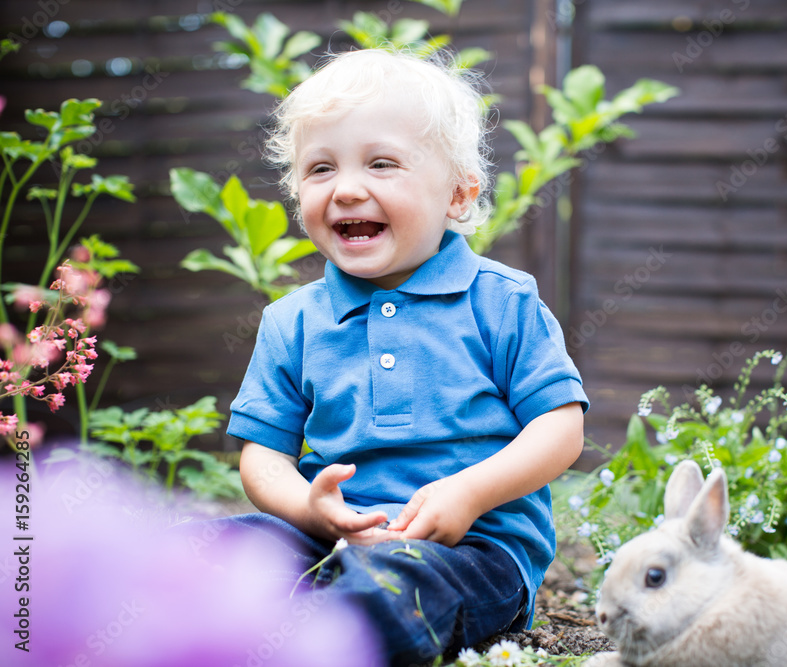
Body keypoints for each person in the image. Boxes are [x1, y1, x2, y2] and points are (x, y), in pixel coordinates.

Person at [226, 48, 588, 666]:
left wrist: (470, 494)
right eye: (320, 169)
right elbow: (264, 455)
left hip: (473, 551)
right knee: (213, 550)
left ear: (457, 194)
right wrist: (307, 509)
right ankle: (263, 621)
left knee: (396, 586)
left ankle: (319, 635)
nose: (345, 189)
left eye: (382, 163)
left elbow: (561, 429)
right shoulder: (293, 322)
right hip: (329, 538)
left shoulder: (501, 302)